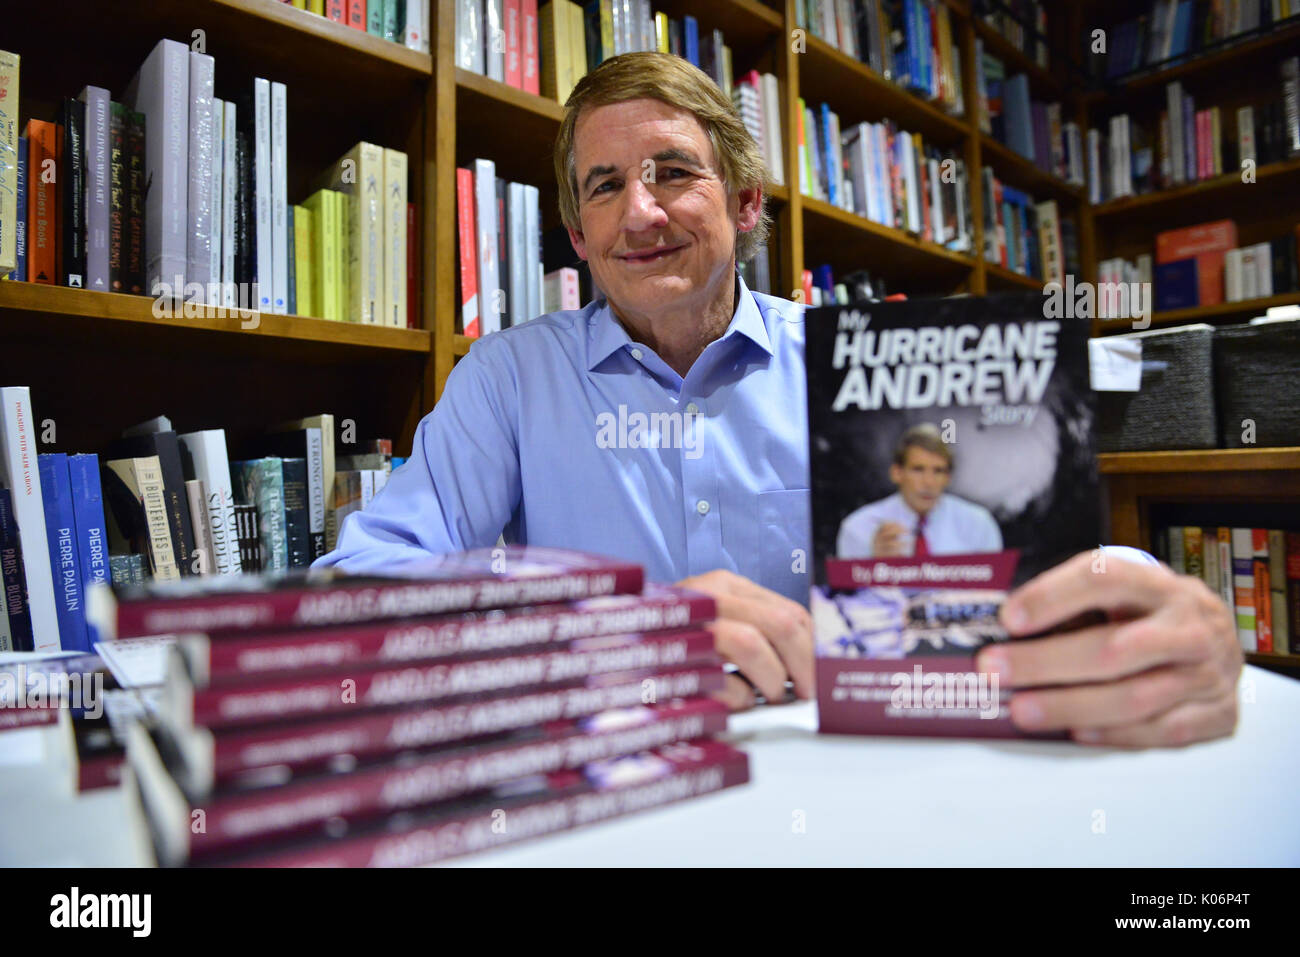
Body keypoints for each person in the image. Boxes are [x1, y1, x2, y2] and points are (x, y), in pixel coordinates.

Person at [315, 52, 1242, 747]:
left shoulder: (862, 364)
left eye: (674, 172)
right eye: (606, 188)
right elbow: (351, 591)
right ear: (579, 235)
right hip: (605, 773)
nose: (640, 212)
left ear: (748, 203)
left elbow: (1027, 555)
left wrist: (1138, 605)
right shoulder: (507, 378)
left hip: (842, 779)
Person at [837, 424, 1001, 559]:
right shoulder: (859, 527)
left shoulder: (979, 524)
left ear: (948, 477)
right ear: (897, 473)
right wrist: (874, 563)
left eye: (938, 471)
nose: (929, 482)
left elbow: (992, 593)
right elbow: (847, 597)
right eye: (918, 469)